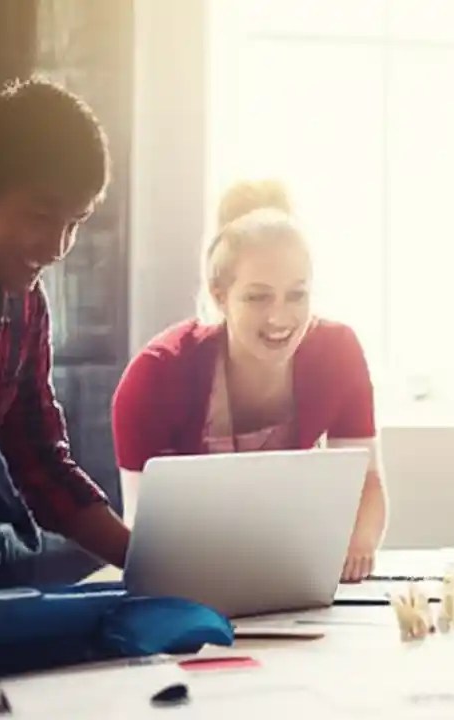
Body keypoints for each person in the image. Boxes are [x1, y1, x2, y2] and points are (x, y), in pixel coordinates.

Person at [111, 189, 387, 582]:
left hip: (292, 571)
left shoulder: (338, 352)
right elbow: (143, 529)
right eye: (258, 297)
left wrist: (355, 550)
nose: (280, 317)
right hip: (190, 577)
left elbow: (366, 482)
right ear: (220, 297)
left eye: (297, 295)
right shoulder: (156, 376)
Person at [0, 78, 131, 593]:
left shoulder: (26, 311)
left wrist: (146, 559)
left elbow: (43, 466)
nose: (60, 246)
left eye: (76, 222)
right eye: (42, 217)